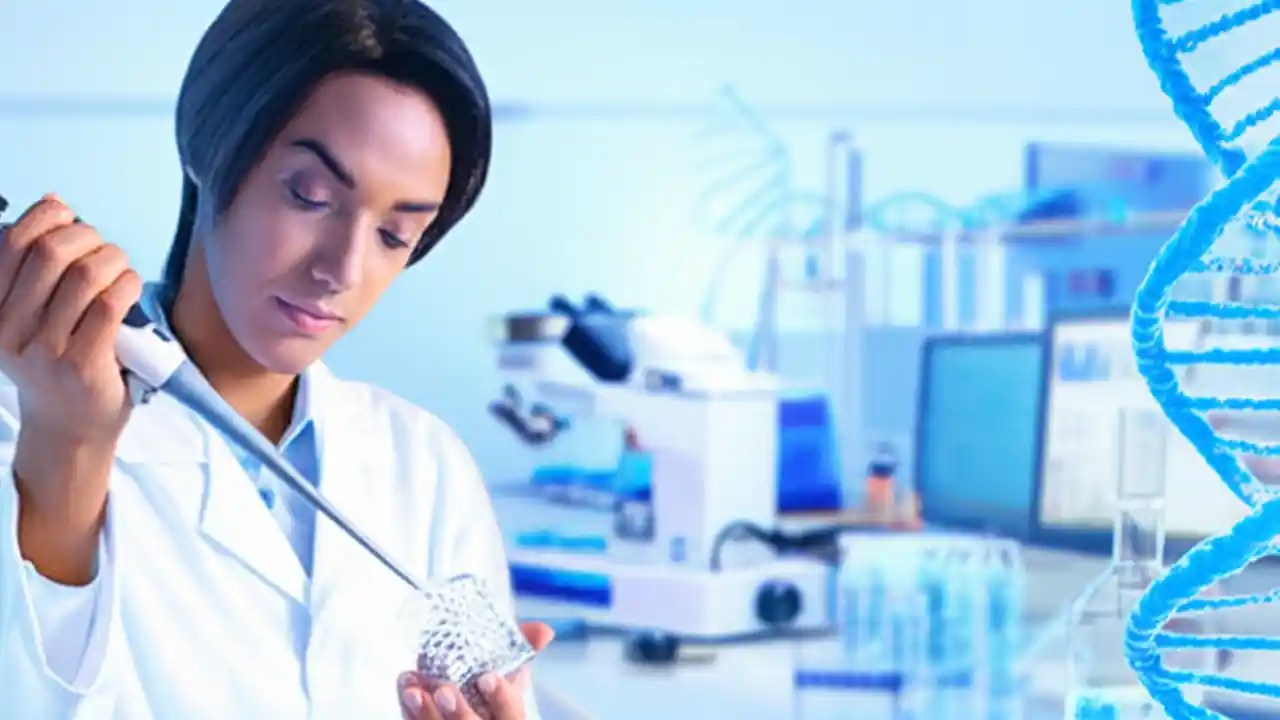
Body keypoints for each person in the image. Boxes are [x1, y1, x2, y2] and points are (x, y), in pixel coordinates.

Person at [0, 1, 553, 718]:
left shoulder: (424, 463)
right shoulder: (24, 422)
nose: (341, 271)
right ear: (207, 144)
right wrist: (68, 447)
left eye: (394, 235)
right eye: (309, 195)